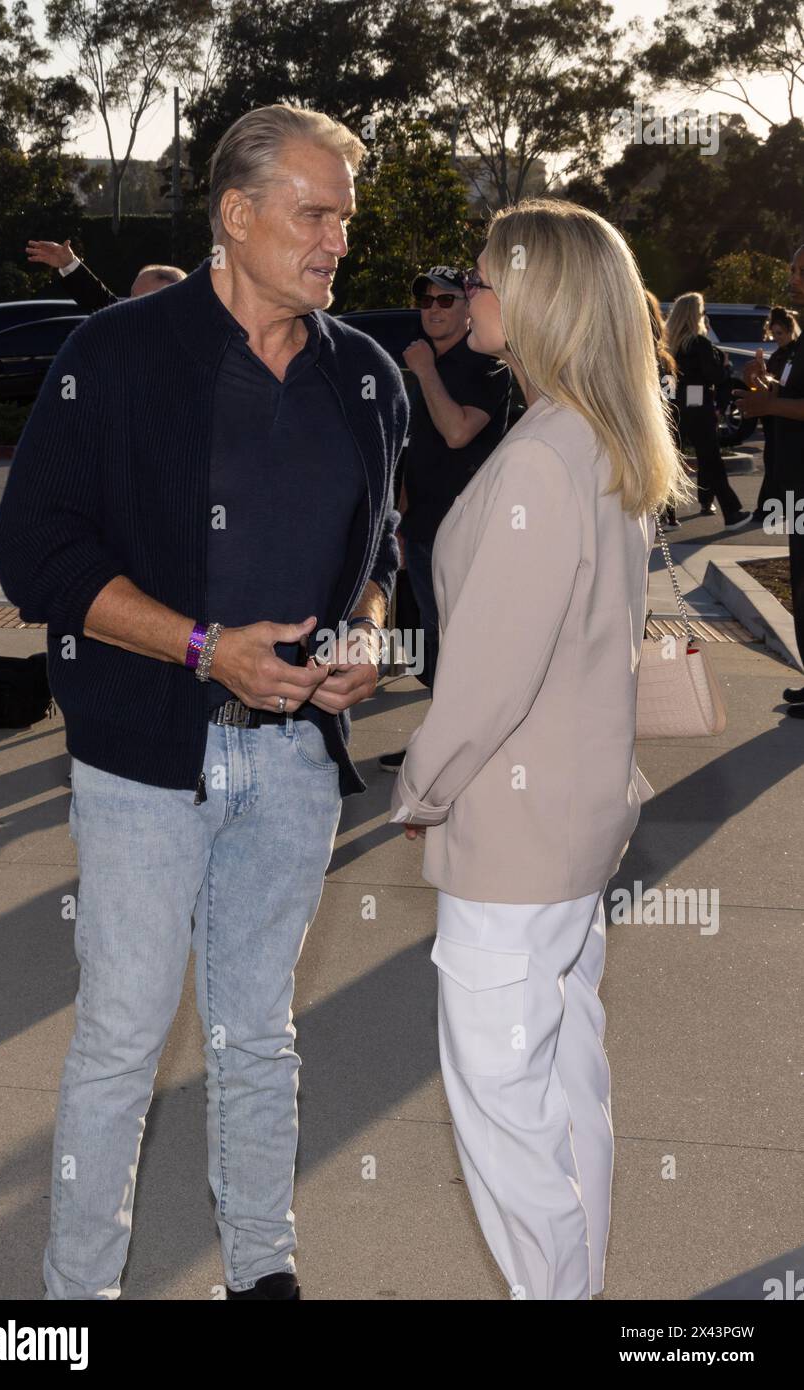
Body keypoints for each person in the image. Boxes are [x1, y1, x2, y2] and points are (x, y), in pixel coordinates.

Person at [0, 103, 408, 1301]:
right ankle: (77, 1297)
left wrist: (367, 635)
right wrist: (199, 646)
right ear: (237, 215)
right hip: (141, 763)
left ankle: (262, 1272)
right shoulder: (118, 355)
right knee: (121, 1044)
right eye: (313, 212)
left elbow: (382, 543)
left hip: (293, 765)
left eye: (345, 218)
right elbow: (38, 555)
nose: (338, 240)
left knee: (257, 1036)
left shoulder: (365, 376)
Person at [388, 197, 691, 1300]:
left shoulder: (541, 456)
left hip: (517, 837)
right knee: (564, 1087)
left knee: (504, 1108)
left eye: (481, 276)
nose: (466, 294)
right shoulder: (597, 438)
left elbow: (486, 681)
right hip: (575, 820)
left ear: (538, 296)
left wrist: (416, 787)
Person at [378, 265, 511, 772]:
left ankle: (461, 752)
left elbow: (457, 432)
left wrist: (426, 372)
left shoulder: (483, 365)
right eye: (426, 300)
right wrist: (402, 518)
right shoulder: (429, 362)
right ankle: (442, 741)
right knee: (431, 643)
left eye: (446, 300)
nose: (433, 309)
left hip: (466, 532)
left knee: (458, 648)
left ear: (467, 305)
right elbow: (420, 447)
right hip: (424, 527)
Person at [734, 246, 804, 716]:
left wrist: (770, 406)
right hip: (791, 479)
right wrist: (761, 386)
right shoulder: (796, 345)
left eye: (802, 269)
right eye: (793, 267)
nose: (793, 276)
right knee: (799, 577)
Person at [665, 292, 751, 529]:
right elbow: (713, 375)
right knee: (711, 460)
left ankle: (668, 515)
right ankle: (732, 512)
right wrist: (723, 367)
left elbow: (665, 379)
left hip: (674, 407)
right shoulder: (700, 344)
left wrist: (669, 402)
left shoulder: (669, 346)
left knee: (669, 461)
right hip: (699, 406)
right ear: (695, 316)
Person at [746, 306, 801, 524]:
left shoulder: (795, 354)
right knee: (773, 462)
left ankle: (770, 508)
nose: (777, 338)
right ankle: (771, 508)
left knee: (780, 463)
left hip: (787, 417)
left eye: (780, 334)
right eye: (774, 334)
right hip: (774, 417)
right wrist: (759, 375)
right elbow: (774, 385)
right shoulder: (778, 355)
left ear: (789, 331)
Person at [25, 238, 186, 312]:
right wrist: (68, 263)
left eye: (141, 301)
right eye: (132, 296)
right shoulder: (127, 323)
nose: (129, 305)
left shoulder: (194, 352)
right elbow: (103, 303)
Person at [645, 289, 681, 528]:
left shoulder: (650, 357)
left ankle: (664, 513)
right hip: (659, 421)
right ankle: (669, 513)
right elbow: (670, 398)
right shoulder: (664, 358)